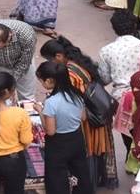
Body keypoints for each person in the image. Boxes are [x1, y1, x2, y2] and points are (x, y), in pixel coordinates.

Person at [41, 36, 118, 189]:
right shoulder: (77, 62)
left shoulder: (71, 74)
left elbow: (72, 99)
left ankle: (83, 183)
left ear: (58, 56)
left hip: (88, 117)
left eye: (49, 61)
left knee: (85, 153)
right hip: (94, 111)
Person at [35, 62, 95, 194]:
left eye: (41, 81)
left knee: (56, 178)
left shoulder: (51, 103)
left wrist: (40, 111)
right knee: (80, 173)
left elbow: (50, 131)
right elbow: (83, 117)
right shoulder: (77, 94)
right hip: (76, 139)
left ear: (50, 80)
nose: (41, 84)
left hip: (58, 144)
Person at [0, 20, 39, 101]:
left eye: (2, 47)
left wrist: (11, 82)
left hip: (22, 62)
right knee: (1, 95)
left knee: (27, 96)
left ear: (10, 35)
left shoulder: (27, 35)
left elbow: (24, 61)